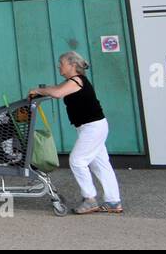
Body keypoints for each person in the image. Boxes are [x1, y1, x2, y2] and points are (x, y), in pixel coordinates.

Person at [29, 51, 122, 215]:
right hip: (93, 126)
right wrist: (42, 92)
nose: (59, 66)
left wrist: (38, 90)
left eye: (62, 63)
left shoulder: (77, 80)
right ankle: (113, 201)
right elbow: (58, 89)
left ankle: (90, 199)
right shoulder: (71, 82)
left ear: (72, 65)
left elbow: (57, 93)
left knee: (77, 160)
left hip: (93, 127)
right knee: (100, 164)